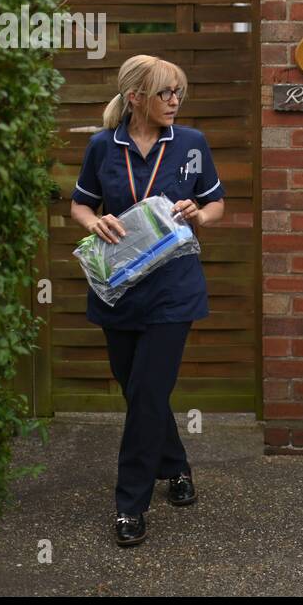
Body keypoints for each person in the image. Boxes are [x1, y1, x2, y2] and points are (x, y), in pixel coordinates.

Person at [69, 54, 226, 546]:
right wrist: (93, 221)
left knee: (147, 394)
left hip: (174, 289)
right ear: (136, 97)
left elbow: (218, 204)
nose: (175, 100)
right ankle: (176, 467)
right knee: (139, 391)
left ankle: (129, 505)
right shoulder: (102, 146)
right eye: (165, 93)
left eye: (179, 91)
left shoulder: (192, 144)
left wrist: (198, 212)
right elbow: (79, 204)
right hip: (119, 289)